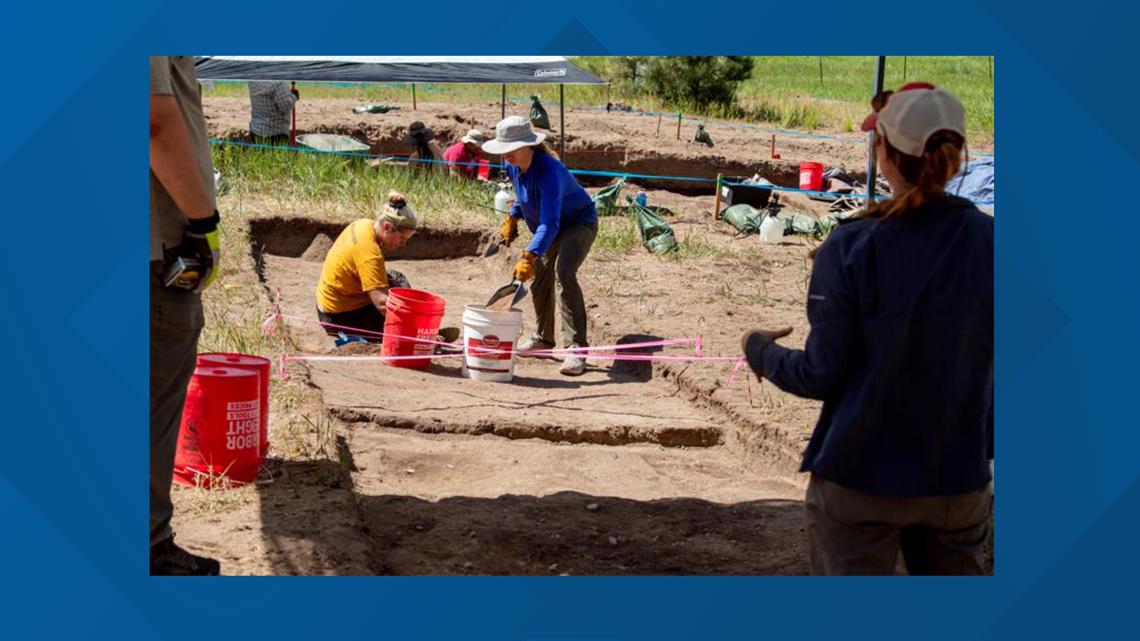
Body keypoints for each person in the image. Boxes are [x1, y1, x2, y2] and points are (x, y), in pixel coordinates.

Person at [740, 83, 993, 575]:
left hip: (861, 476)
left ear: (885, 152)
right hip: (958, 480)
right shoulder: (992, 242)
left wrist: (760, 350)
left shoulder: (852, 246)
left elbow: (820, 373)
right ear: (957, 156)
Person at [150, 56, 223, 575]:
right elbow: (154, 120)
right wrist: (203, 224)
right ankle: (148, 547)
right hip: (158, 254)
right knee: (151, 411)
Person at [482, 116, 598, 376]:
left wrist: (530, 254)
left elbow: (550, 222)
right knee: (540, 279)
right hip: (550, 227)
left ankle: (576, 350)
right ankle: (544, 338)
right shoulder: (514, 166)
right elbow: (524, 196)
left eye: (510, 150)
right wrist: (513, 216)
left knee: (564, 273)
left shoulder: (549, 171)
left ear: (528, 146)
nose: (506, 156)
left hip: (577, 223)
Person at [315, 191, 419, 341]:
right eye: (402, 238)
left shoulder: (363, 224)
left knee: (397, 278)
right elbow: (383, 304)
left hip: (326, 301)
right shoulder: (369, 254)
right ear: (388, 226)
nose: (403, 243)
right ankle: (417, 335)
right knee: (396, 323)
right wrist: (416, 329)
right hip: (338, 318)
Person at [248, 80, 298, 145]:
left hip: (256, 130)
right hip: (275, 134)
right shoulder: (278, 83)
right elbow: (286, 106)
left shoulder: (252, 80)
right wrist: (294, 96)